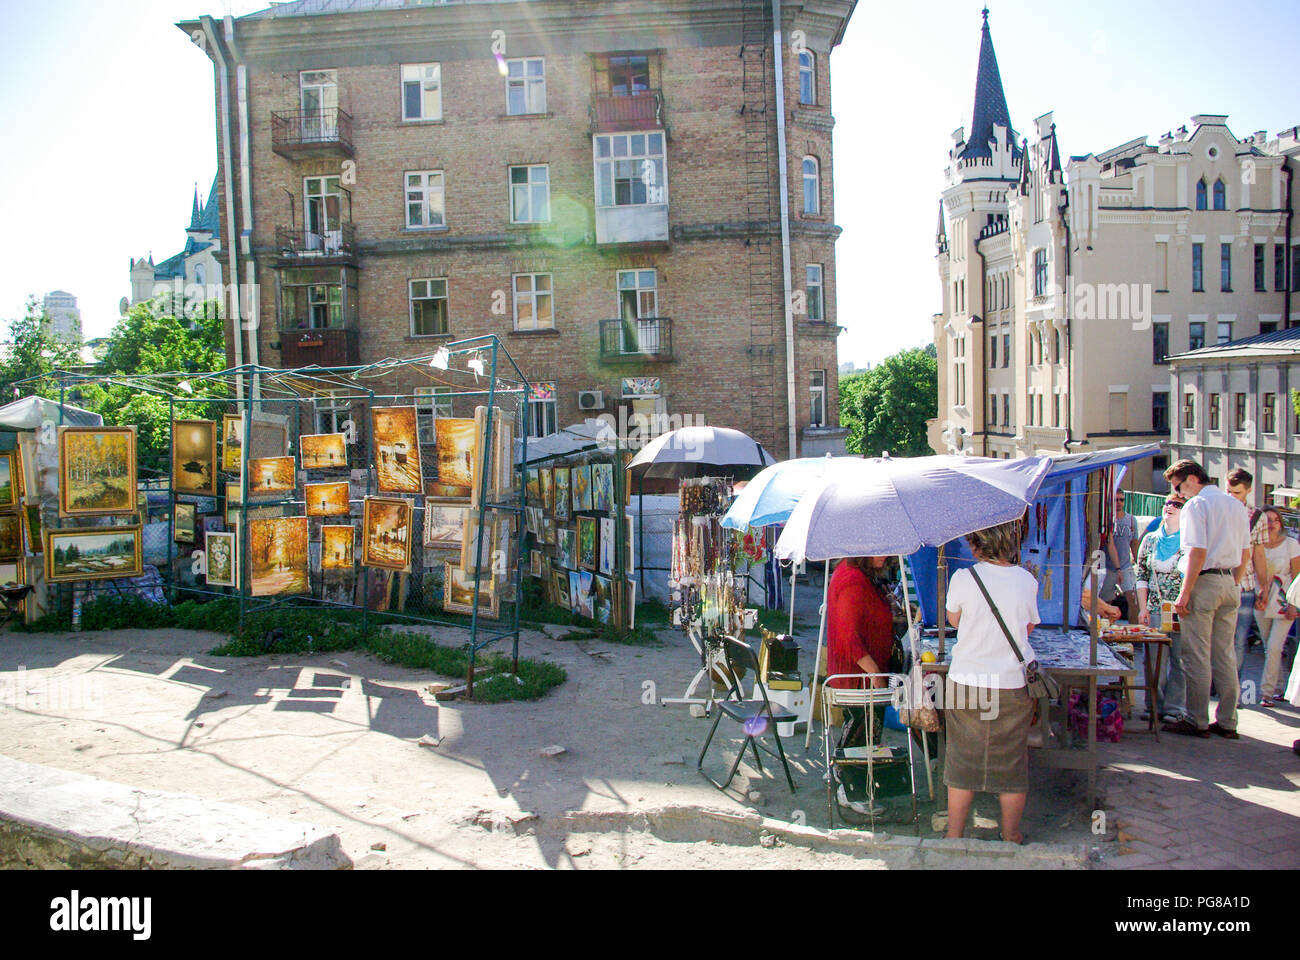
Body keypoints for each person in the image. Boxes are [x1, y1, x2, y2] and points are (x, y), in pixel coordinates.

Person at [943, 519, 1040, 844]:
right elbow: (1028, 628)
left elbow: (954, 619)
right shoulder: (1026, 580)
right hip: (1011, 682)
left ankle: (954, 834)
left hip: (966, 680)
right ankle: (1011, 834)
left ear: (976, 546)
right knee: (1011, 762)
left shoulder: (963, 578)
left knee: (962, 758)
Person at [1167, 459, 1251, 739]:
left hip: (1205, 582)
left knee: (1197, 654)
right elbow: (1245, 551)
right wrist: (1235, 582)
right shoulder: (1236, 505)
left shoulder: (1197, 505)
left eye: (1179, 487)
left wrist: (1185, 593)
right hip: (1229, 581)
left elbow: (1197, 552)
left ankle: (1197, 719)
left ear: (1191, 479)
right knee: (1224, 654)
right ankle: (1227, 720)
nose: (1179, 494)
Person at [825, 556, 897, 819]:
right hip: (857, 677)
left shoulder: (856, 574)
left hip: (858, 675)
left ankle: (843, 772)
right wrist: (874, 672)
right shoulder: (852, 580)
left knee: (860, 728)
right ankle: (852, 789)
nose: (886, 556)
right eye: (880, 551)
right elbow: (849, 637)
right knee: (864, 731)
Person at [1134, 494, 1189, 722]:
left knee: (1179, 660)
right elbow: (1141, 575)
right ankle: (1153, 705)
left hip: (1180, 610)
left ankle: (1174, 708)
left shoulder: (1189, 542)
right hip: (1156, 608)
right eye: (1168, 503)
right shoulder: (1150, 540)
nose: (1170, 507)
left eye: (1177, 505)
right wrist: (1142, 608)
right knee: (1154, 659)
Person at [1252, 507, 1300, 706]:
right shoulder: (1256, 545)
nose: (1271, 524)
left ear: (1281, 523)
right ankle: (1279, 688)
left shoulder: (1291, 544)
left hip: (1283, 601)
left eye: (1275, 520)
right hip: (1261, 599)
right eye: (1267, 520)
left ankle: (1267, 693)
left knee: (1273, 647)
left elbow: (1297, 576)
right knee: (1269, 647)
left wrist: (1294, 604)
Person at [1226, 468, 1269, 683]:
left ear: (1248, 491)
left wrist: (1264, 587)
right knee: (1216, 637)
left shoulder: (1257, 516)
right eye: (1229, 492)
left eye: (1237, 493)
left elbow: (1259, 554)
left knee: (1239, 639)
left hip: (1246, 585)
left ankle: (1232, 685)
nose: (1232, 496)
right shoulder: (1218, 510)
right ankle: (1215, 682)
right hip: (1220, 581)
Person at [1102, 491, 1140, 619]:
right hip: (1108, 566)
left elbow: (1134, 543)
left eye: (1121, 500)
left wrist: (1138, 562)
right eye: (1116, 500)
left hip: (1125, 566)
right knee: (1106, 602)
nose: (1119, 503)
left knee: (1133, 599)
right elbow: (1110, 544)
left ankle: (1135, 628)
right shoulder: (1107, 520)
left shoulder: (1131, 520)